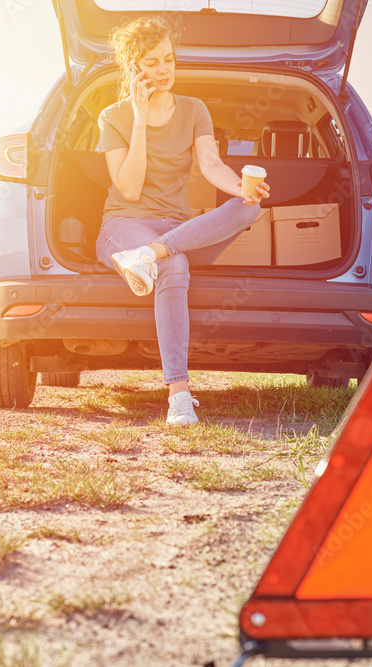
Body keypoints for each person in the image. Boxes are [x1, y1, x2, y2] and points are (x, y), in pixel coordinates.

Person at [94, 16, 269, 426]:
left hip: (174, 229)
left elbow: (210, 163)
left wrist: (240, 187)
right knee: (174, 264)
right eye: (153, 62)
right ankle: (179, 395)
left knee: (249, 207)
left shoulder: (194, 109)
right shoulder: (113, 116)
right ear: (133, 66)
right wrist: (139, 118)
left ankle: (148, 255)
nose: (164, 70)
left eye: (169, 59)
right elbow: (131, 188)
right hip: (125, 223)